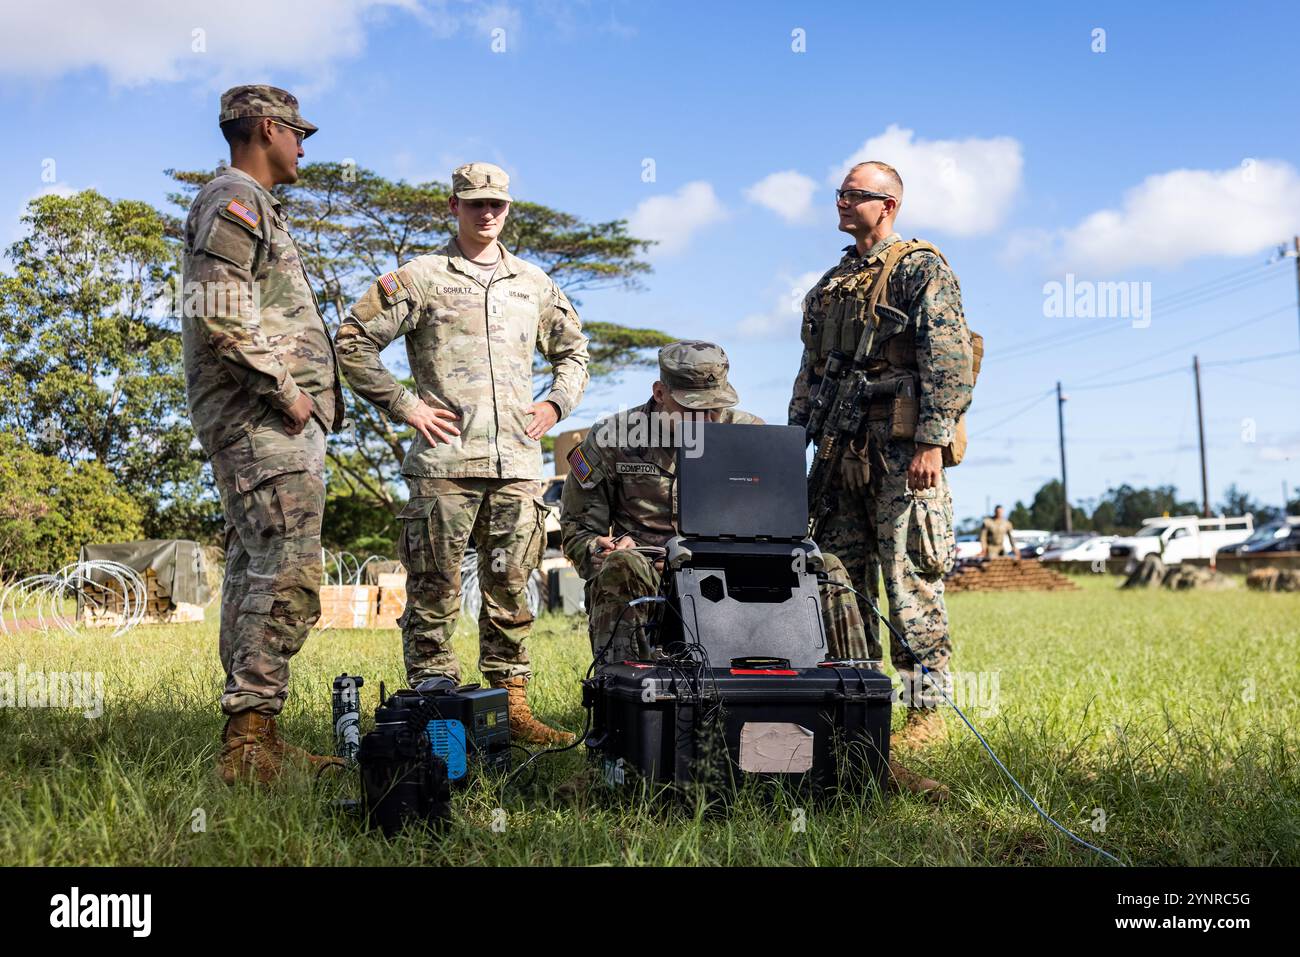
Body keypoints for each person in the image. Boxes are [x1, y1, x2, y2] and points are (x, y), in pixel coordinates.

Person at [562, 341, 944, 797]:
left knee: (830, 569)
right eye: (692, 409)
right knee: (620, 565)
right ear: (659, 392)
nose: (706, 420)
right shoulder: (611, 440)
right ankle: (617, 749)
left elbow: (781, 524)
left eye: (715, 407)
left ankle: (866, 748)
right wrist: (599, 549)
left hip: (738, 576)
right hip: (653, 581)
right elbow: (577, 534)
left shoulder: (751, 434)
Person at [334, 162, 589, 746]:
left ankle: (512, 709)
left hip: (518, 468)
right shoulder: (422, 277)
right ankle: (437, 715)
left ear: (508, 207)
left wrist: (554, 406)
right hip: (444, 468)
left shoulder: (534, 283)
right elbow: (353, 340)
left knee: (510, 591)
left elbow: (574, 353)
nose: (487, 213)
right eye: (474, 203)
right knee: (433, 593)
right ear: (453, 207)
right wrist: (406, 406)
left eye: (496, 203)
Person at [181, 85, 346, 784]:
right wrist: (289, 394)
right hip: (263, 421)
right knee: (289, 576)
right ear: (269, 129)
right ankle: (249, 746)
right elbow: (221, 315)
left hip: (265, 423)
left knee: (258, 572)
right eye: (298, 134)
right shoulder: (235, 198)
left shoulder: (251, 204)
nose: (304, 148)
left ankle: (250, 739)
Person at [789, 160, 974, 753]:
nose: (840, 202)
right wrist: (791, 444)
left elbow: (948, 358)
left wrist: (931, 442)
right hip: (838, 452)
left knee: (908, 575)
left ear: (887, 204)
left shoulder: (920, 268)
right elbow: (809, 371)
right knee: (840, 577)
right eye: (838, 193)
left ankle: (926, 712)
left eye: (853, 194)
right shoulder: (829, 285)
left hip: (900, 451)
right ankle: (857, 703)